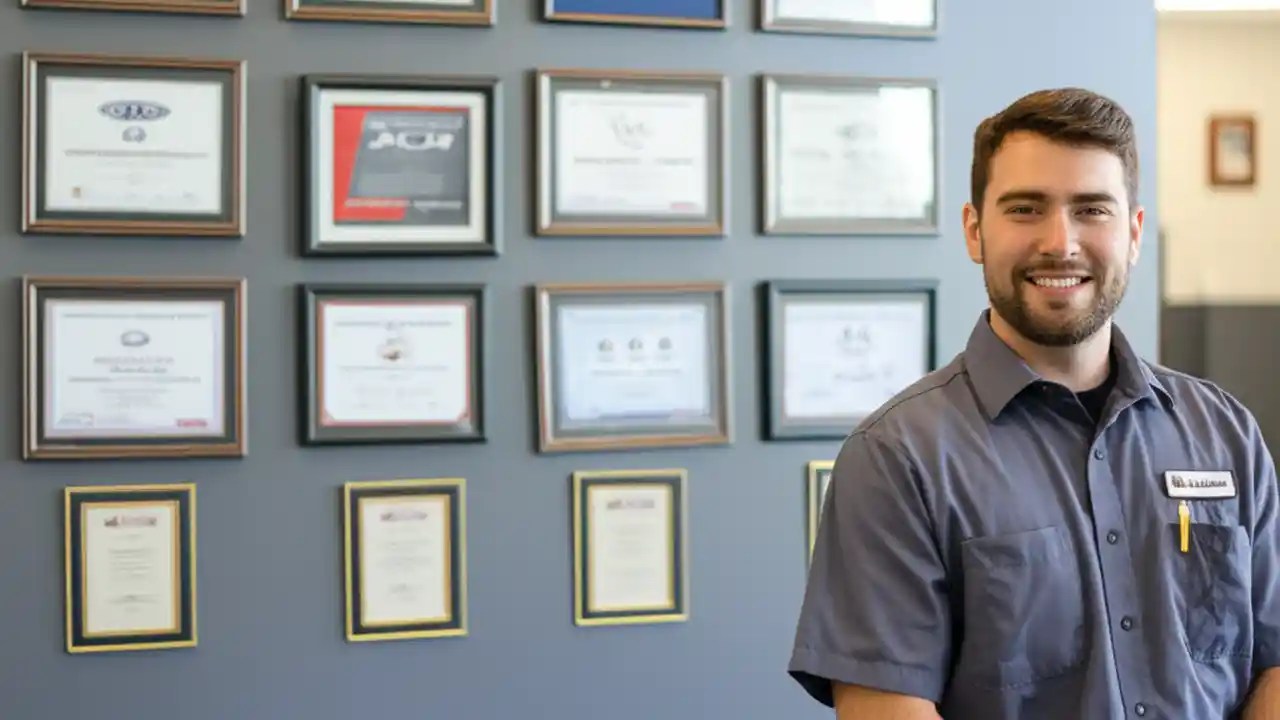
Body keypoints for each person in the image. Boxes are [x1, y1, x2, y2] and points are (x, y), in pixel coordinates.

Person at [787, 87, 1280, 719]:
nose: (1060, 242)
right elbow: (885, 707)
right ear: (975, 231)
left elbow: (1272, 661)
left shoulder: (1225, 432)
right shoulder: (897, 457)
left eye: (1091, 209)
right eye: (1025, 208)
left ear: (1133, 232)